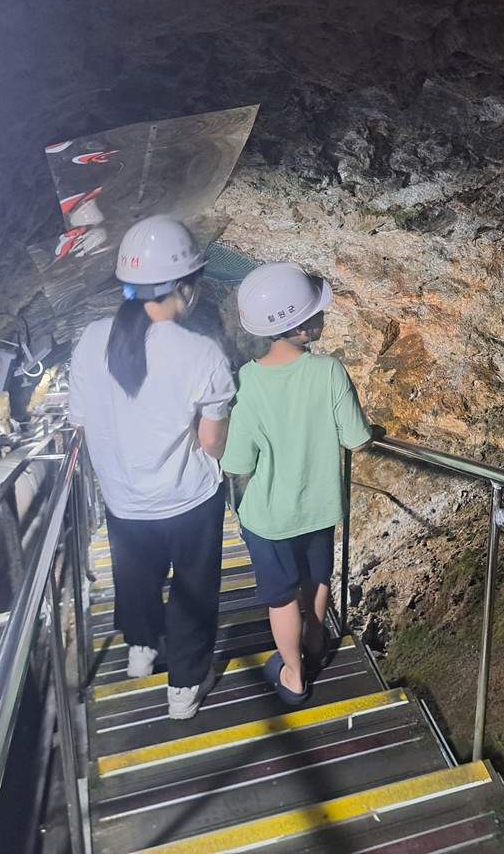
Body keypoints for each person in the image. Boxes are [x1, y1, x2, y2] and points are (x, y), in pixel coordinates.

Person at [68, 215, 234, 720]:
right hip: (188, 501)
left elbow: (79, 420)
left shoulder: (89, 339)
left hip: (123, 501)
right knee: (191, 589)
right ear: (186, 287)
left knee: (136, 577)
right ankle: (184, 687)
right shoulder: (201, 352)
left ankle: (140, 648)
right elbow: (212, 444)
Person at [221, 262, 372, 706]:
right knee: (317, 579)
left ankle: (293, 674)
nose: (323, 316)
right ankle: (315, 645)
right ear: (299, 326)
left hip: (269, 517)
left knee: (282, 595)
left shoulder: (248, 381)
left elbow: (237, 461)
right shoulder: (329, 372)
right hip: (321, 508)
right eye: (317, 312)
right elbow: (357, 438)